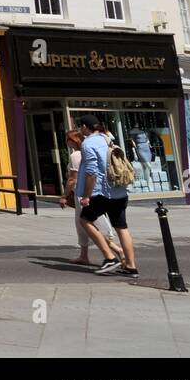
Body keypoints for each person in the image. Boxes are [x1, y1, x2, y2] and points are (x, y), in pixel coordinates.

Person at [76, 115, 139, 277]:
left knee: (85, 220)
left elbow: (91, 173)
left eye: (80, 127)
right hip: (120, 191)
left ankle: (109, 257)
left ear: (85, 127)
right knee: (121, 227)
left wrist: (86, 196)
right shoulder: (108, 139)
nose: (79, 130)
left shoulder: (88, 143)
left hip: (102, 193)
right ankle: (131, 267)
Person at [61, 127, 121, 266]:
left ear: (72, 141)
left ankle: (116, 252)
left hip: (82, 194)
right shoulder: (94, 150)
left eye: (67, 140)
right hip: (96, 191)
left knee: (88, 224)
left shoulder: (76, 155)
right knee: (85, 225)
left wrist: (64, 196)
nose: (66, 143)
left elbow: (72, 179)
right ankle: (84, 255)